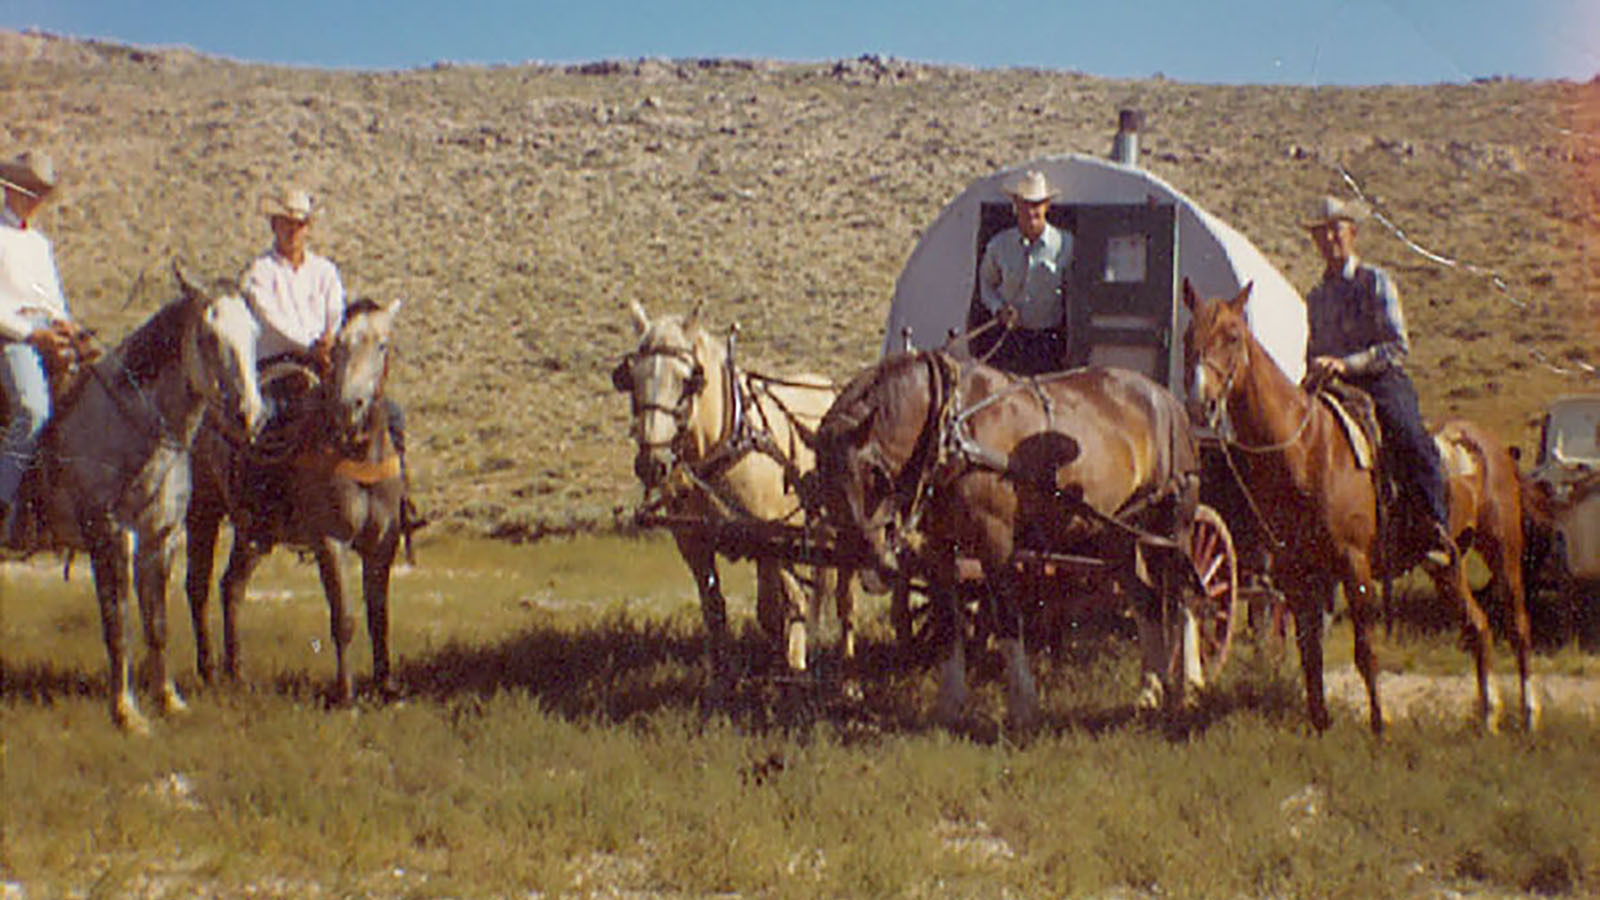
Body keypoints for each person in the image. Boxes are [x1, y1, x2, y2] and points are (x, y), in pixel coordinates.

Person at [1301, 194, 1455, 569]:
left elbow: (1396, 345)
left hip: (1380, 380)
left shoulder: (1376, 282)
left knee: (1409, 434)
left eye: (1335, 229)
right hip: (1334, 386)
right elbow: (1313, 347)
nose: (1329, 239)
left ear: (1352, 233)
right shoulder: (1317, 296)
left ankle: (1436, 526)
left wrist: (1345, 363)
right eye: (1321, 233)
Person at [0, 150, 82, 542]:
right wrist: (32, 334)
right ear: (10, 191)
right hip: (10, 336)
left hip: (44, 330)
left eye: (39, 194)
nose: (34, 201)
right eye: (28, 192)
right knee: (32, 409)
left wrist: (63, 322)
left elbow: (51, 297)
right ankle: (2, 503)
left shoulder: (39, 244)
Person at [976, 169, 1074, 376]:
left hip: (1048, 341)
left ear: (1047, 206)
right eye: (1025, 205)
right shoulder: (999, 245)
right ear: (1015, 207)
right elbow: (986, 284)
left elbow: (1073, 293)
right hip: (1009, 338)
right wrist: (998, 309)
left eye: (1037, 205)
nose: (1031, 212)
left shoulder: (1065, 244)